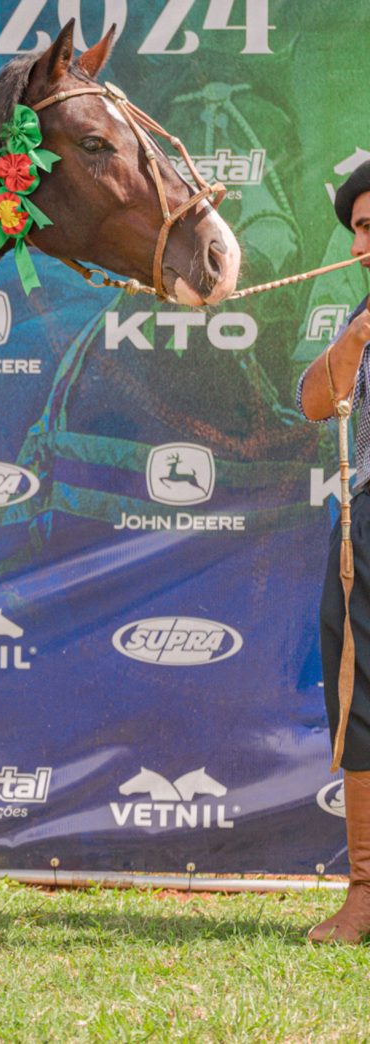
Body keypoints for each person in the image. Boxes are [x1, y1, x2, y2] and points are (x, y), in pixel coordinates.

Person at [297, 157, 370, 944]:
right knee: (361, 703)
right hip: (367, 524)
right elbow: (317, 403)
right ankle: (365, 893)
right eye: (360, 230)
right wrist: (352, 340)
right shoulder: (359, 313)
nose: (366, 243)